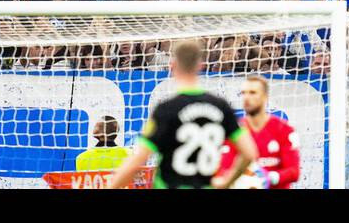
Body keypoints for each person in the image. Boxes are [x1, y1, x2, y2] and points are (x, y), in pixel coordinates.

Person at [107, 39, 259, 189]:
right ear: (201, 66)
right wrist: (227, 181)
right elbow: (249, 153)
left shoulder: (166, 109)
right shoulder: (221, 106)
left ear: (172, 65)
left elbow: (138, 160)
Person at [217, 75, 301, 188]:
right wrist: (243, 179)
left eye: (252, 93)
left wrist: (269, 177)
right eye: (244, 93)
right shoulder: (235, 131)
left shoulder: (284, 129)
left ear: (265, 97)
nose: (246, 97)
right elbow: (225, 169)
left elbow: (294, 172)